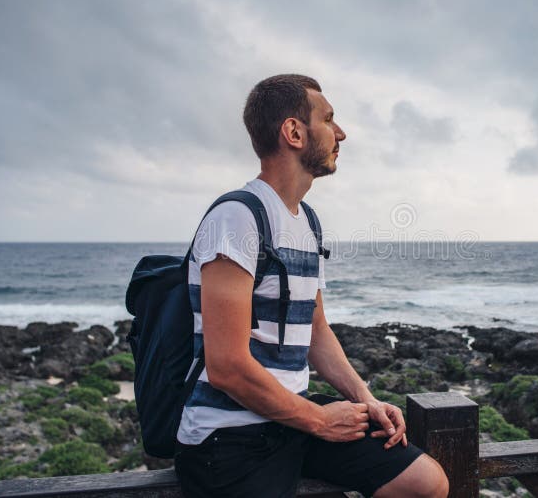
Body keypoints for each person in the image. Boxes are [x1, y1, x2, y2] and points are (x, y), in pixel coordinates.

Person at [174, 74, 449, 498]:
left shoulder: (308, 222)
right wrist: (320, 421)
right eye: (329, 119)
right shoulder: (237, 218)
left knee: (425, 483)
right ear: (294, 132)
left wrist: (365, 397)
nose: (341, 133)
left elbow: (315, 330)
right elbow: (226, 366)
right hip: (229, 438)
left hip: (293, 420)